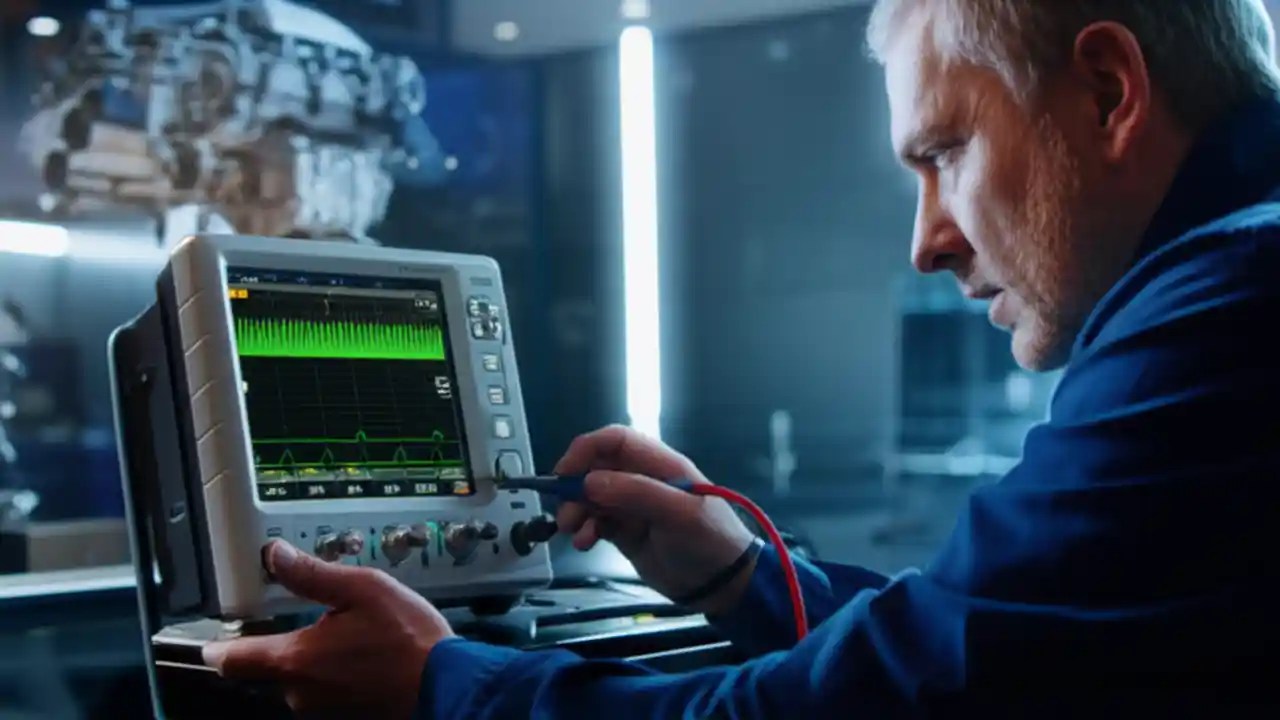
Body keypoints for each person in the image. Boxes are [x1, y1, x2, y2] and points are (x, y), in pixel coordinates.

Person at [203, 0, 1280, 716]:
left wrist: (446, 688)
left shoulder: (1220, 320)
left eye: (943, 152)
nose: (925, 242)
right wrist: (742, 575)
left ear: (1107, 93)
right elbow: (987, 647)